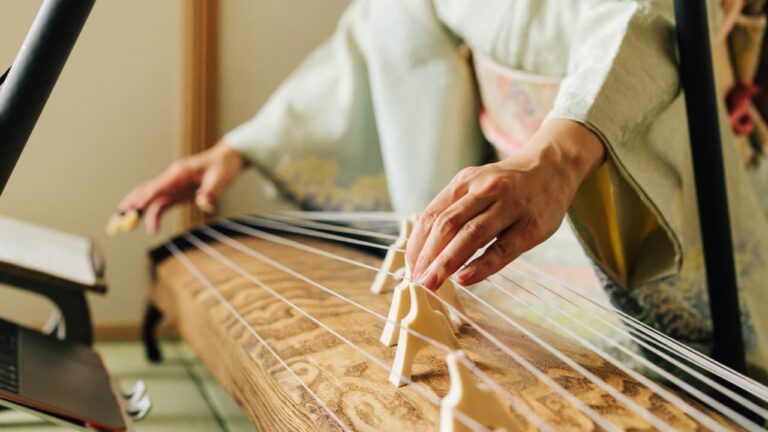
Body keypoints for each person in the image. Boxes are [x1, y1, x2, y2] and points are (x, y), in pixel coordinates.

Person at [114, 0, 768, 380]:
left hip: (641, 201)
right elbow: (382, 30)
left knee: (679, 387)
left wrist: (555, 160)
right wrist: (241, 147)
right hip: (510, 235)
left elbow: (653, 14)